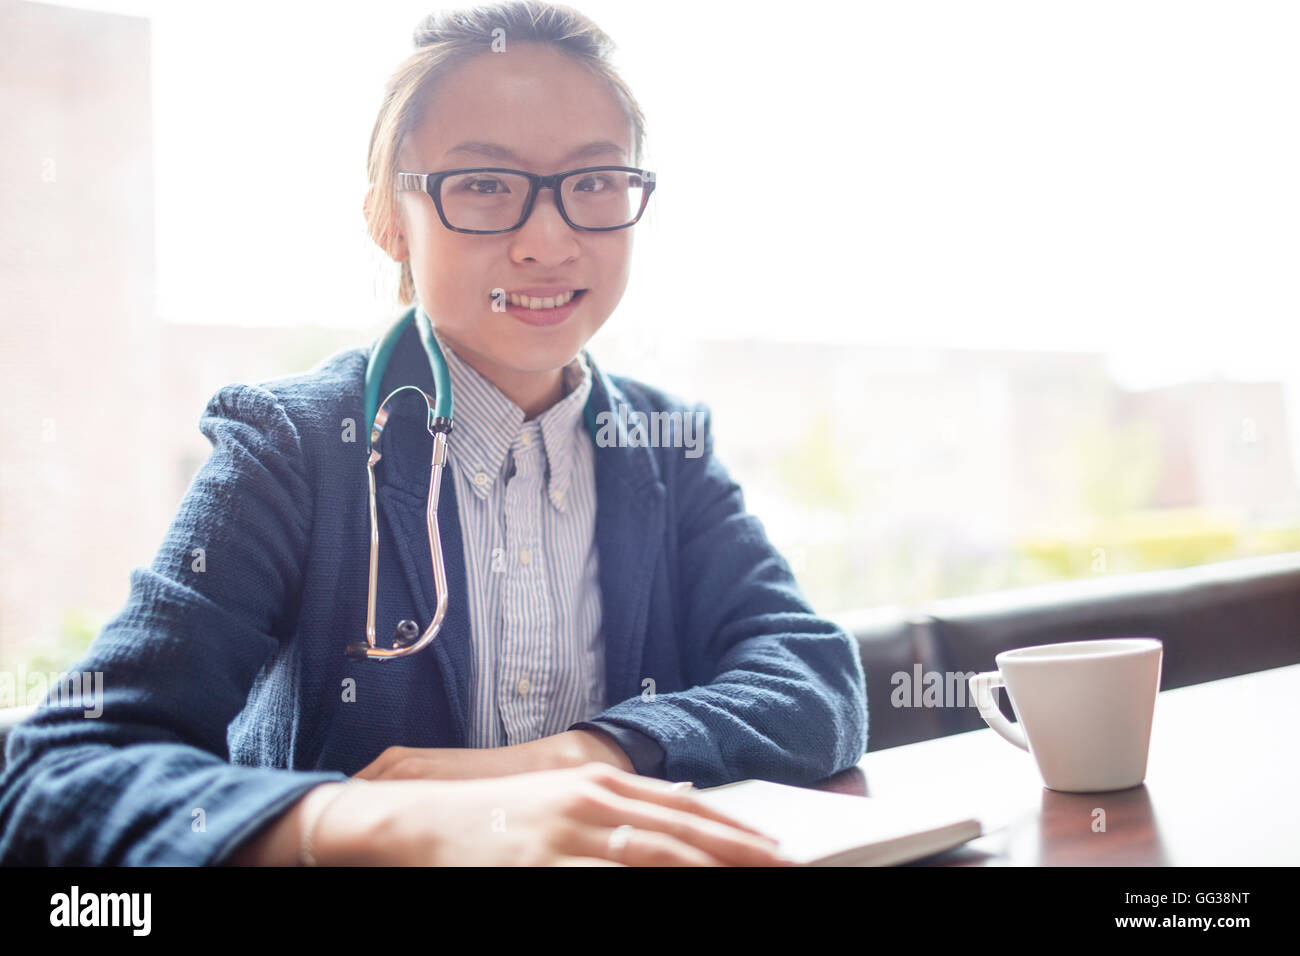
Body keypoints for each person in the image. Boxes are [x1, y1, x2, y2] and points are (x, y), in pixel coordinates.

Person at [0, 1, 867, 866]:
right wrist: (381, 825)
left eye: (595, 181)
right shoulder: (294, 449)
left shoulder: (663, 446)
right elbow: (59, 772)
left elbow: (815, 677)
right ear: (389, 219)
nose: (549, 240)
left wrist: (583, 756)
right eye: (485, 184)